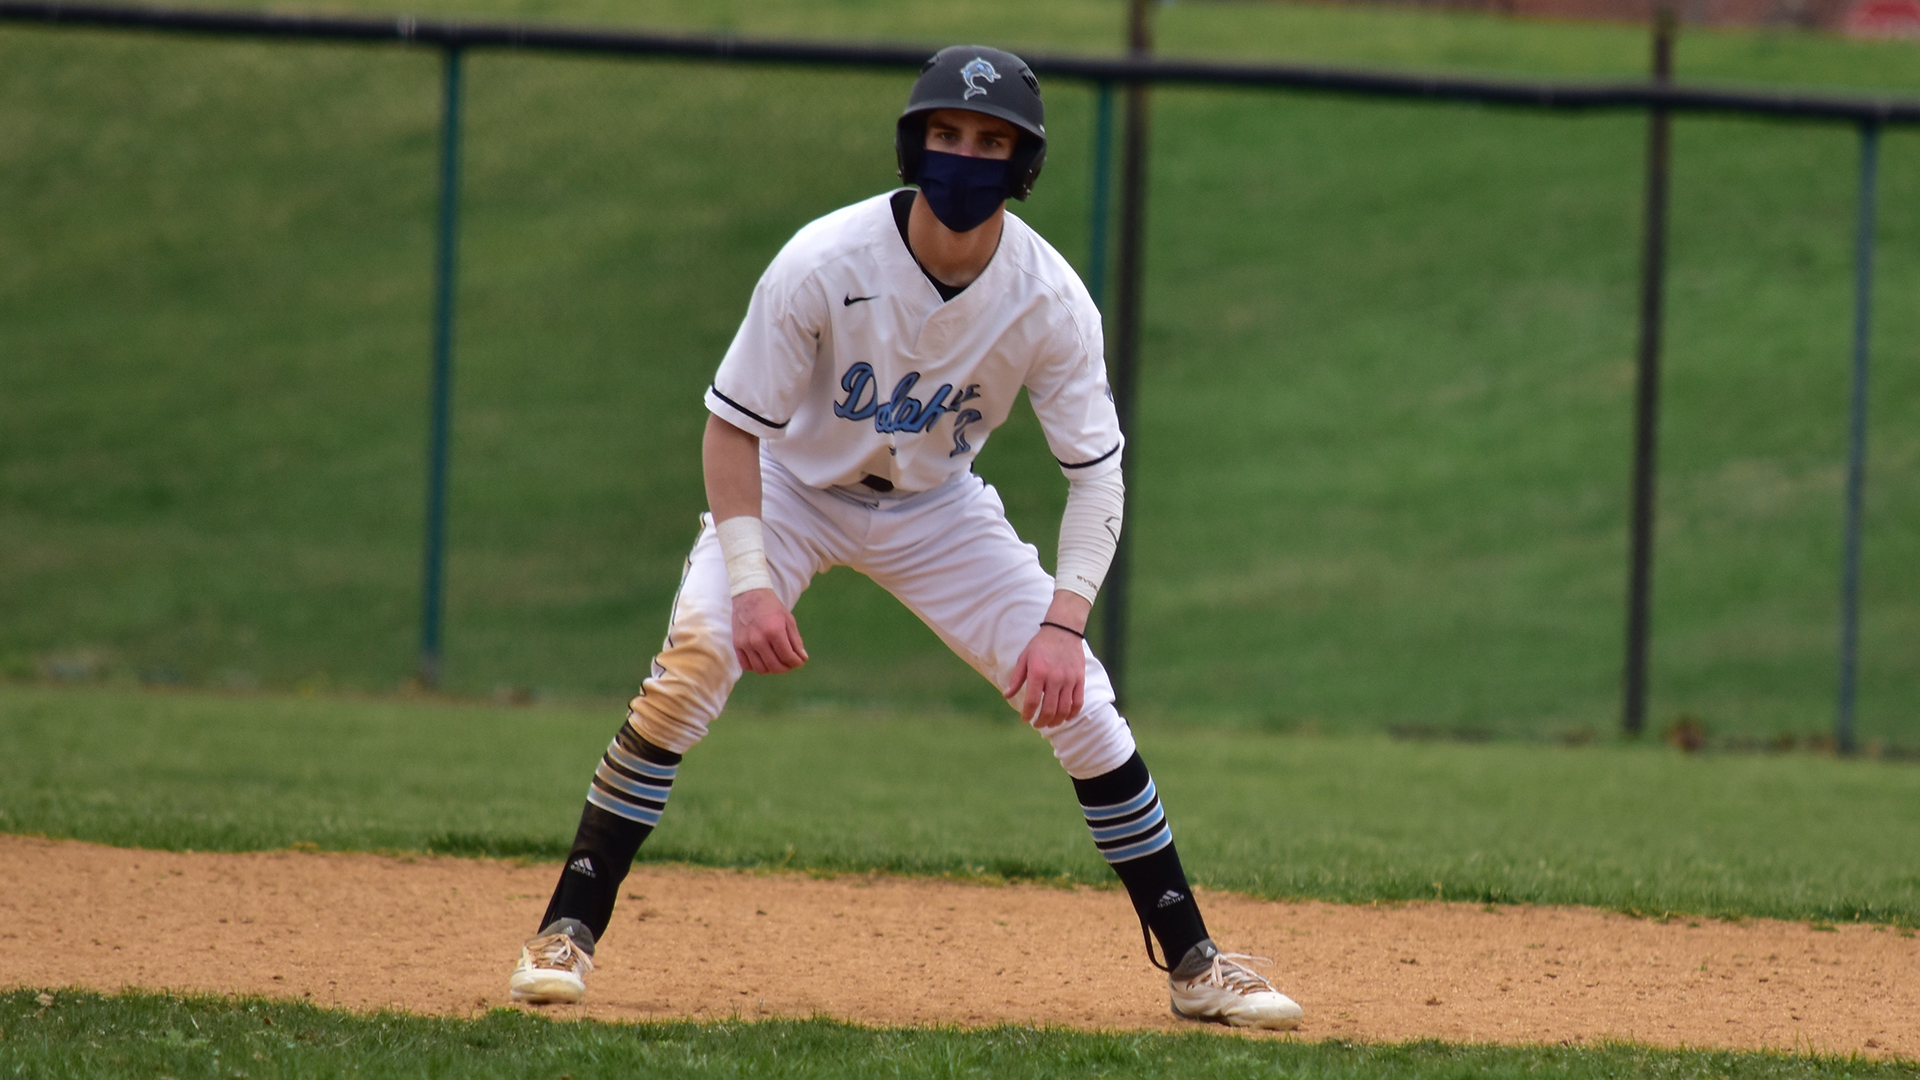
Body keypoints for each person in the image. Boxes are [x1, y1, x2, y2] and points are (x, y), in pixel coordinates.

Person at [508, 45, 1303, 1029]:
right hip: (789, 489)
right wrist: (751, 579)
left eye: (989, 141)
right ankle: (565, 929)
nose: (964, 156)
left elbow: (1096, 472)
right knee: (702, 651)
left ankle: (1195, 961)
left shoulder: (1048, 299)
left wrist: (1063, 621)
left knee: (1083, 699)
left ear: (1022, 165)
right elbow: (732, 429)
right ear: (911, 146)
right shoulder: (823, 262)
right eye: (946, 134)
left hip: (937, 509)